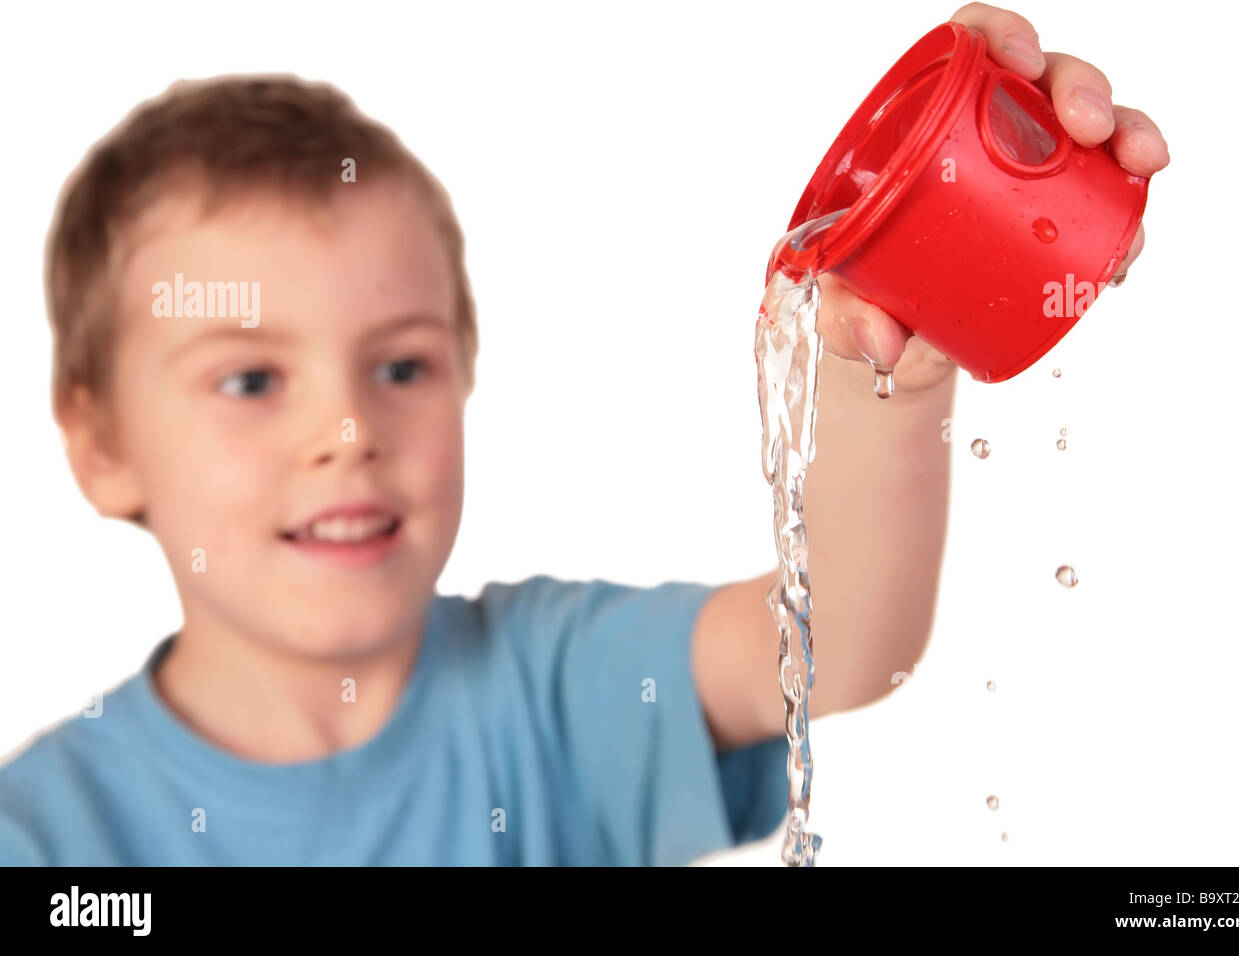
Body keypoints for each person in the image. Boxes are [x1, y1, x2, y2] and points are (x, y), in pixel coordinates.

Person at [0, 4, 1167, 865]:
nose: (347, 431)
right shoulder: (48, 835)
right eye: (250, 377)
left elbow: (845, 643)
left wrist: (890, 359)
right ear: (101, 447)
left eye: (401, 364)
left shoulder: (545, 687)